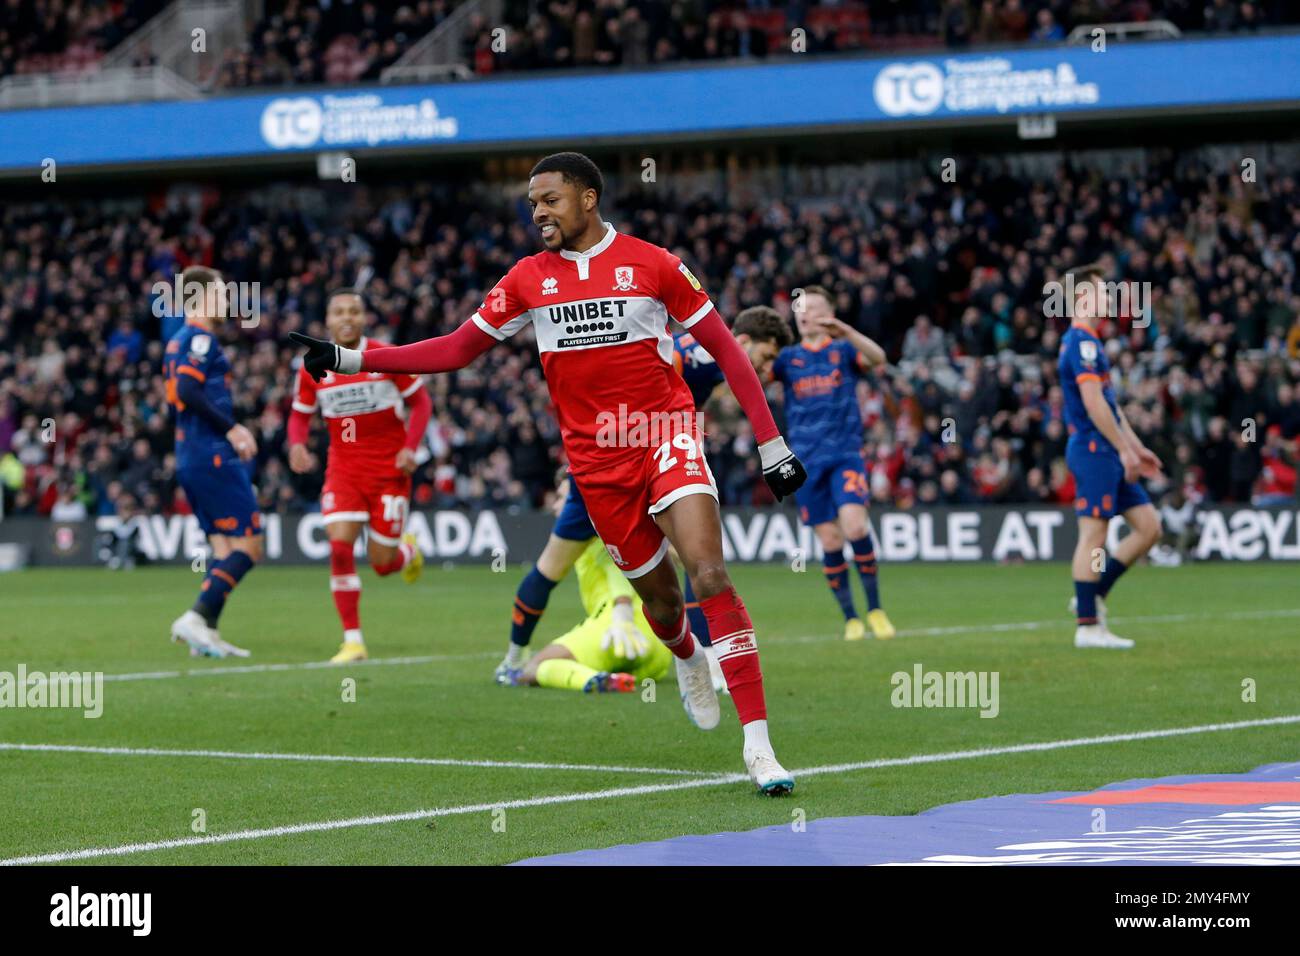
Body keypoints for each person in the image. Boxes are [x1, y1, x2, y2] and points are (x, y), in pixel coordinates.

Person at [292, 151, 807, 794]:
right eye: (532, 202)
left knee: (709, 572)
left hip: (662, 433)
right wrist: (349, 357)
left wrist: (771, 445)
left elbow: (728, 349)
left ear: (588, 198)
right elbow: (456, 348)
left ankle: (759, 748)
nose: (538, 211)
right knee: (663, 601)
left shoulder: (655, 264)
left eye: (550, 199)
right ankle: (688, 658)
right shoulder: (528, 279)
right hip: (595, 463)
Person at [497, 305, 793, 690]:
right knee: (560, 567)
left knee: (684, 561)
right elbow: (636, 386)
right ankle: (515, 658)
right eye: (765, 356)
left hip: (624, 464)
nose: (766, 368)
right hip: (616, 469)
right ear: (744, 341)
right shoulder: (699, 356)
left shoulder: (701, 359)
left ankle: (512, 658)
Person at [287, 289, 432, 662]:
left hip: (389, 472)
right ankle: (353, 641)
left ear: (364, 318)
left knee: (382, 564)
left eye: (354, 311)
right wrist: (297, 444)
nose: (347, 318)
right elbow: (300, 413)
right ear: (328, 320)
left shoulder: (383, 356)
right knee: (338, 548)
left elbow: (421, 403)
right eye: (339, 312)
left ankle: (406, 553)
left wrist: (410, 448)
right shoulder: (314, 364)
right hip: (344, 471)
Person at [769, 289, 896, 641]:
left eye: (812, 308)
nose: (804, 314)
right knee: (830, 540)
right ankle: (851, 618)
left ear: (829, 312)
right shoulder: (787, 358)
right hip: (805, 461)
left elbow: (878, 357)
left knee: (855, 527)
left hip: (845, 453)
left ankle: (875, 610)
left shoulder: (842, 350)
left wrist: (847, 331)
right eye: (799, 310)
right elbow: (748, 378)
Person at [1058, 263, 1163, 648]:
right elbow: (1093, 404)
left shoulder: (1091, 343)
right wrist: (1122, 450)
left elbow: (1111, 407)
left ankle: (1092, 595)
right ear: (1084, 297)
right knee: (1094, 535)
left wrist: (1135, 449)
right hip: (1093, 450)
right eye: (1103, 291)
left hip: (1109, 451)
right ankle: (1087, 626)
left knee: (1149, 526)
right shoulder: (1081, 343)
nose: (1109, 297)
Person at [164, 265, 261, 659]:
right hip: (212, 455)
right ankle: (195, 616)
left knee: (222, 548)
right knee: (250, 546)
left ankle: (205, 632)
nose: (226, 300)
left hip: (191, 456)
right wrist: (233, 429)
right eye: (221, 293)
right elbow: (187, 389)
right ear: (202, 297)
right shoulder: (200, 339)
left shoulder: (176, 341)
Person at [503, 477, 671, 693]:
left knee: (531, 669)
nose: (556, 505)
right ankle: (614, 676)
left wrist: (622, 607)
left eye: (563, 497)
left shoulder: (597, 530)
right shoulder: (622, 525)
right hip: (658, 649)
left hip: (616, 630)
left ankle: (592, 679)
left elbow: (616, 565)